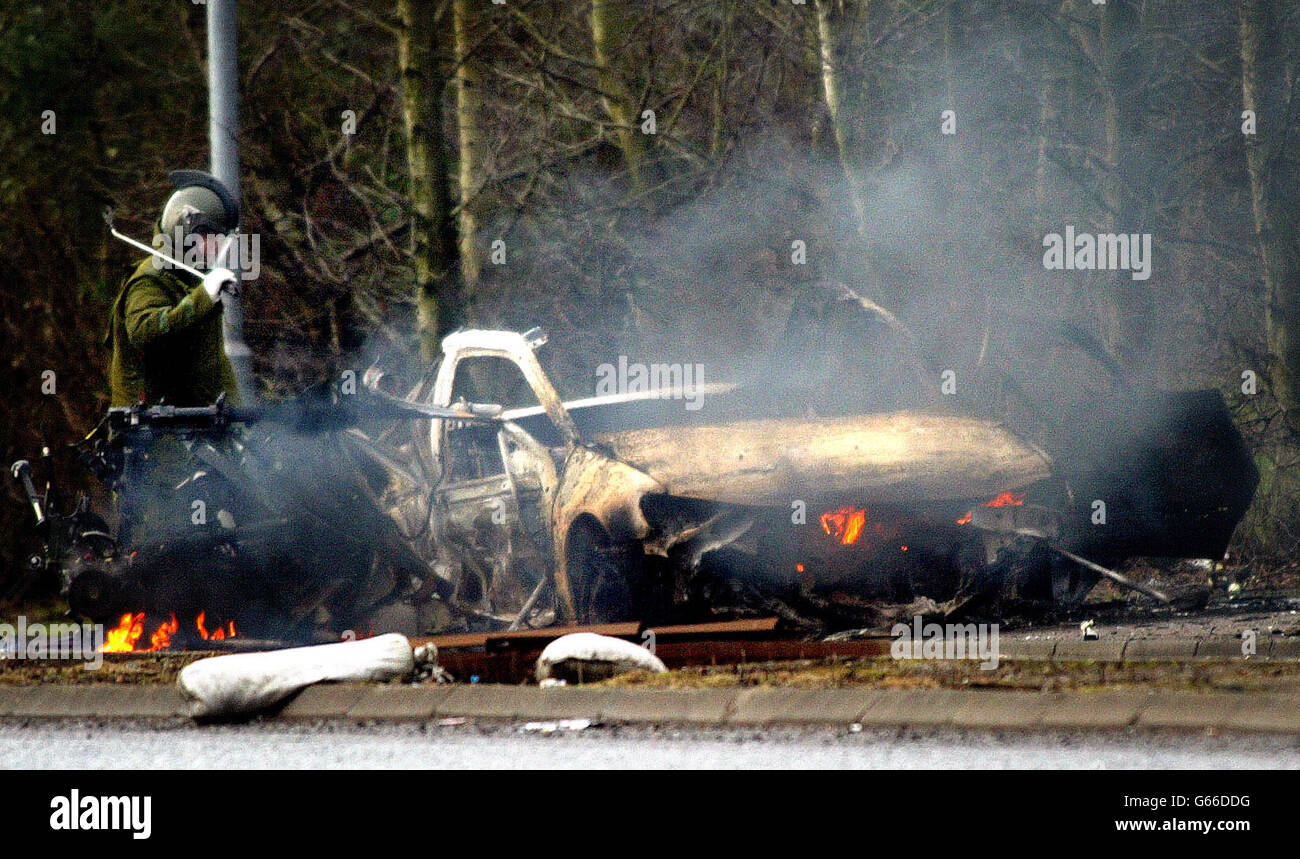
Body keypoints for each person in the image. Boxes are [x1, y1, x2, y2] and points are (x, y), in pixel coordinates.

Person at [106, 171, 242, 407]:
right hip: (148, 431)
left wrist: (239, 425)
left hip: (191, 426)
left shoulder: (194, 281)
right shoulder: (149, 280)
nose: (217, 247)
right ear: (184, 232)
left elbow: (214, 367)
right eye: (209, 236)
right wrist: (204, 297)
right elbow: (144, 332)